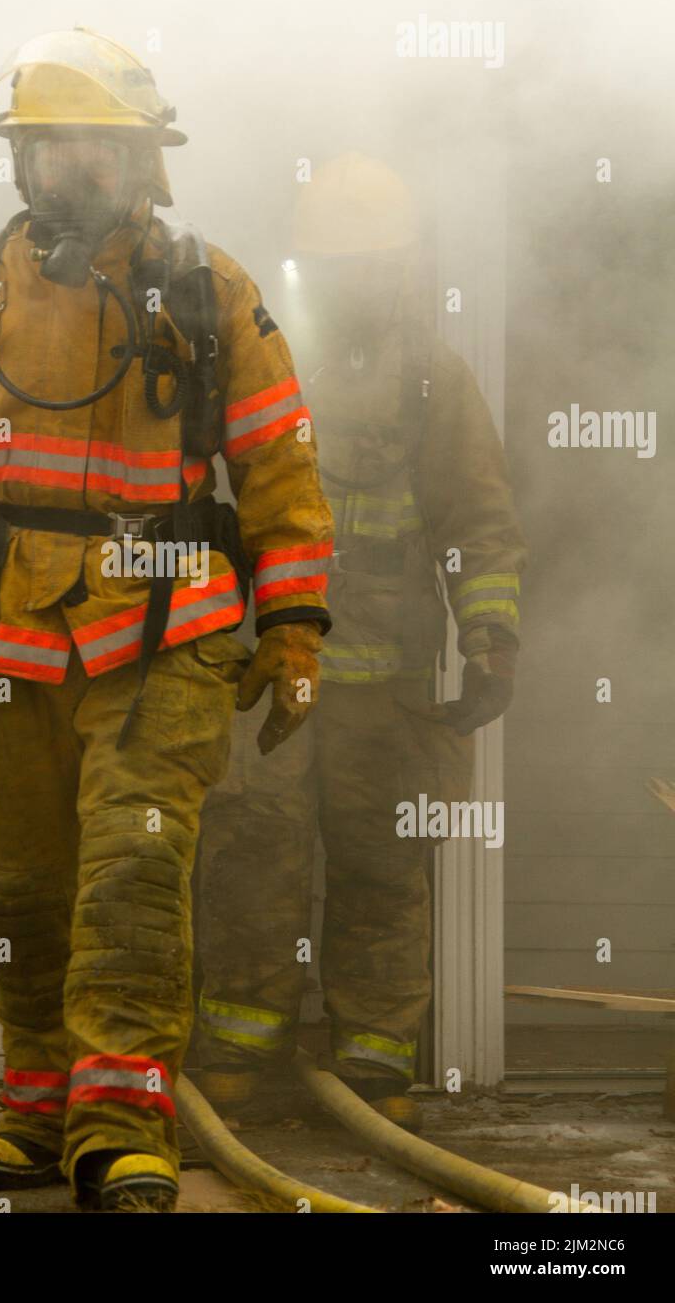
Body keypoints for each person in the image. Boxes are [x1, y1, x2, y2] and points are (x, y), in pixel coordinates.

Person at [0, 28, 332, 1209]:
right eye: (44, 151)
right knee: (22, 886)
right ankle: (37, 1106)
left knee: (130, 872)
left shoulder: (207, 289)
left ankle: (121, 1126)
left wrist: (295, 622)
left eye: (92, 153)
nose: (68, 172)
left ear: (142, 164)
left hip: (163, 631)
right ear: (16, 164)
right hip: (2, 639)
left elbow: (276, 461)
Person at [196, 154, 527, 1131]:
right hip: (265, 675)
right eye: (341, 268)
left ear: (405, 268)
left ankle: (372, 1069)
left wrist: (491, 632)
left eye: (376, 266)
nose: (361, 287)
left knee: (384, 868)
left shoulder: (433, 378)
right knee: (249, 863)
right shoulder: (255, 366)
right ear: (307, 268)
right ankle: (237, 1061)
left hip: (387, 684)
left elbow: (476, 519)